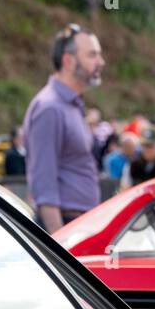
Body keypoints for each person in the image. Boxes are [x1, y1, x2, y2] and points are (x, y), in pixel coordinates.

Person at [22, 23, 105, 232]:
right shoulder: (50, 108)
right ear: (68, 61)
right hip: (66, 228)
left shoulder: (71, 103)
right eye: (92, 55)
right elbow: (44, 188)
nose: (100, 62)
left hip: (79, 224)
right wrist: (61, 248)